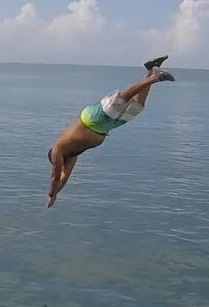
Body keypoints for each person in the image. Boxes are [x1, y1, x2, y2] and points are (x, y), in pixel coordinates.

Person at [46, 55, 174, 207]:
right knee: (137, 106)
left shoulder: (58, 149)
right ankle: (151, 70)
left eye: (56, 163)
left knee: (120, 100)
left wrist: (50, 193)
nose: (59, 165)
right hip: (107, 127)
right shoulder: (73, 155)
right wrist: (55, 195)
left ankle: (154, 78)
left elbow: (56, 176)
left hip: (91, 120)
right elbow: (63, 178)